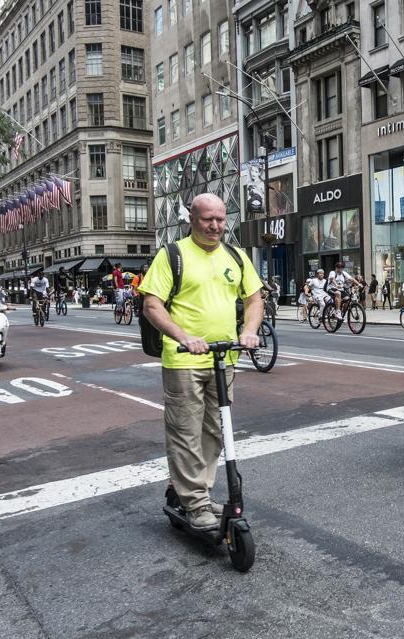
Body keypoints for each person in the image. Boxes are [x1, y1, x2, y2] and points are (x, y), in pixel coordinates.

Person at [139, 193, 264, 532]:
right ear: (192, 219)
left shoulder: (236, 257)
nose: (215, 225)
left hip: (224, 359)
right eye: (208, 219)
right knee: (185, 432)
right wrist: (183, 337)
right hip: (184, 362)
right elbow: (152, 305)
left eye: (221, 219)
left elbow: (254, 300)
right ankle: (195, 502)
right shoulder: (173, 255)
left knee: (214, 431)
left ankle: (194, 492)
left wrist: (249, 330)